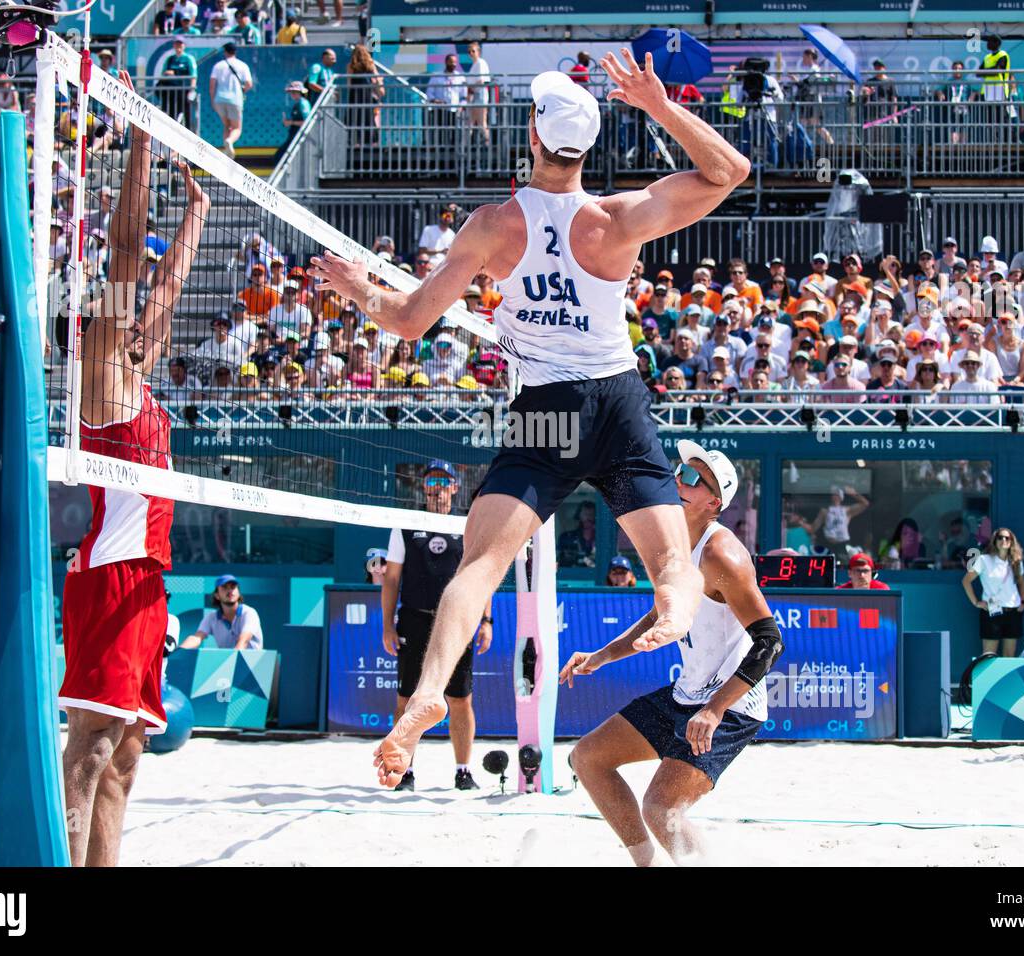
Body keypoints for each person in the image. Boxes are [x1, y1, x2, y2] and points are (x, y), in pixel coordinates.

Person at [311, 52, 749, 787]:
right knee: (672, 565)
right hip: (616, 402)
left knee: (477, 569)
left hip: (548, 412)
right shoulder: (617, 219)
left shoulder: (493, 226)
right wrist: (658, 105)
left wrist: (362, 290)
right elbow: (728, 171)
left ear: (534, 140)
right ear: (584, 149)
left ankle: (425, 698)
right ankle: (672, 605)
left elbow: (412, 322)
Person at [60, 76, 209, 867]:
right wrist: (143, 145)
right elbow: (127, 256)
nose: (144, 319)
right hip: (114, 571)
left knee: (126, 754)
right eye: (130, 314)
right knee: (90, 747)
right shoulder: (100, 374)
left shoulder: (136, 372)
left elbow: (170, 289)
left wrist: (199, 214)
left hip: (147, 574)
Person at [563, 444, 782, 866]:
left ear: (714, 504)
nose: (680, 480)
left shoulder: (724, 554)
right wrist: (603, 655)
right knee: (587, 759)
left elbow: (770, 642)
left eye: (694, 478)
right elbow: (662, 612)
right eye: (681, 471)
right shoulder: (677, 545)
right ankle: (646, 862)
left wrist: (715, 709)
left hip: (731, 706)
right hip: (687, 694)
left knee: (662, 810)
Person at [381, 461, 492, 791]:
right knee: (408, 699)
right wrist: (387, 625)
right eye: (432, 481)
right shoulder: (405, 525)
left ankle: (462, 771)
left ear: (455, 487)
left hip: (458, 621)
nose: (438, 487)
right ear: (424, 488)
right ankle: (404, 770)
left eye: (445, 481)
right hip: (415, 619)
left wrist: (485, 620)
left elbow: (482, 575)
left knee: (460, 700)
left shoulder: (468, 524)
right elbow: (391, 579)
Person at [961, 527, 1024, 657]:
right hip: (992, 611)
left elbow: (1022, 583)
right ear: (994, 541)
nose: (1003, 540)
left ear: (1011, 542)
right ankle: (986, 678)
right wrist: (976, 602)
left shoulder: (1016, 562)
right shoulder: (984, 560)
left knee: (1009, 656)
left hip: (1012, 611)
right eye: (1000, 537)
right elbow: (966, 581)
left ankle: (1006, 678)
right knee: (989, 655)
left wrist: (1022, 601)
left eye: (1007, 538)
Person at [181, 575, 264, 649]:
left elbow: (243, 641)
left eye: (233, 587)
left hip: (254, 665)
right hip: (230, 663)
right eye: (225, 587)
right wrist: (179, 652)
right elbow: (197, 638)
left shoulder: (249, 613)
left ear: (238, 593)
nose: (230, 590)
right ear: (217, 595)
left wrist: (232, 663)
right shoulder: (211, 617)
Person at [209, 42, 253, 158]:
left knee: (227, 125)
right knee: (237, 128)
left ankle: (226, 151)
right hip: (235, 99)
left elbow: (212, 85)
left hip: (220, 99)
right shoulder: (242, 65)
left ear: (225, 52)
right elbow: (249, 83)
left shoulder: (218, 66)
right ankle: (230, 141)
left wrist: (213, 100)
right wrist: (242, 90)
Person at [812, 486, 869, 560]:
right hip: (828, 544)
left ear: (841, 497)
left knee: (843, 565)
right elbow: (813, 528)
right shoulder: (825, 511)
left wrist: (854, 494)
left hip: (842, 545)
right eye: (833, 494)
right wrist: (801, 522)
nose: (835, 496)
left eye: (837, 495)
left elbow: (865, 504)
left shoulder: (847, 510)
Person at [160, 38, 198, 131]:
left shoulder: (188, 58)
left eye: (180, 44)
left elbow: (193, 75)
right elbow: (163, 73)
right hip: (172, 90)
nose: (178, 47)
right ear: (174, 46)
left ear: (184, 46)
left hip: (184, 90)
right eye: (177, 44)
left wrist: (192, 90)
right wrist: (168, 73)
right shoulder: (170, 59)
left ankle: (190, 133)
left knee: (186, 112)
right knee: (172, 112)